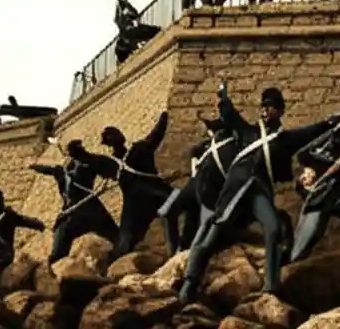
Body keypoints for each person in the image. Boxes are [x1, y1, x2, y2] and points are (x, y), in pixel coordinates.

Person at [177, 84, 340, 303]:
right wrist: (223, 97)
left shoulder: (285, 139)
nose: (265, 110)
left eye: (270, 107)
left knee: (273, 228)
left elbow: (309, 132)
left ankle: (271, 286)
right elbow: (230, 115)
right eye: (263, 106)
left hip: (257, 190)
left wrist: (330, 122)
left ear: (280, 111)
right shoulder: (248, 132)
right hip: (235, 189)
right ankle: (189, 284)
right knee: (213, 236)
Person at [71, 112, 173, 262]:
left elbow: (89, 159)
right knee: (176, 208)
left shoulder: (116, 160)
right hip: (153, 196)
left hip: (138, 204)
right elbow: (156, 134)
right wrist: (164, 118)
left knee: (127, 239)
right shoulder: (136, 150)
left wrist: (78, 151)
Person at [289, 100, 340, 263]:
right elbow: (304, 154)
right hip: (319, 196)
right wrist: (309, 170)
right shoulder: (329, 134)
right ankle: (287, 268)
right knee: (307, 238)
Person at [30, 139, 120, 264]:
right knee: (59, 246)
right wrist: (33, 165)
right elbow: (47, 170)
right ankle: (56, 265)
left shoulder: (90, 161)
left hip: (90, 208)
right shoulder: (62, 170)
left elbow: (112, 168)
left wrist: (116, 174)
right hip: (70, 212)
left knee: (116, 237)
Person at [159, 116, 239, 255]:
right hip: (192, 185)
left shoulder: (231, 147)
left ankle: (186, 249)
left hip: (210, 192)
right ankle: (172, 253)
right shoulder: (204, 146)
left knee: (196, 224)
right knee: (167, 211)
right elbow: (193, 153)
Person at [114, 0, 160, 65]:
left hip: (129, 31)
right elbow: (132, 14)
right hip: (129, 31)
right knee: (152, 30)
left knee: (150, 30)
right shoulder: (122, 5)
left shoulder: (122, 6)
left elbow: (132, 14)